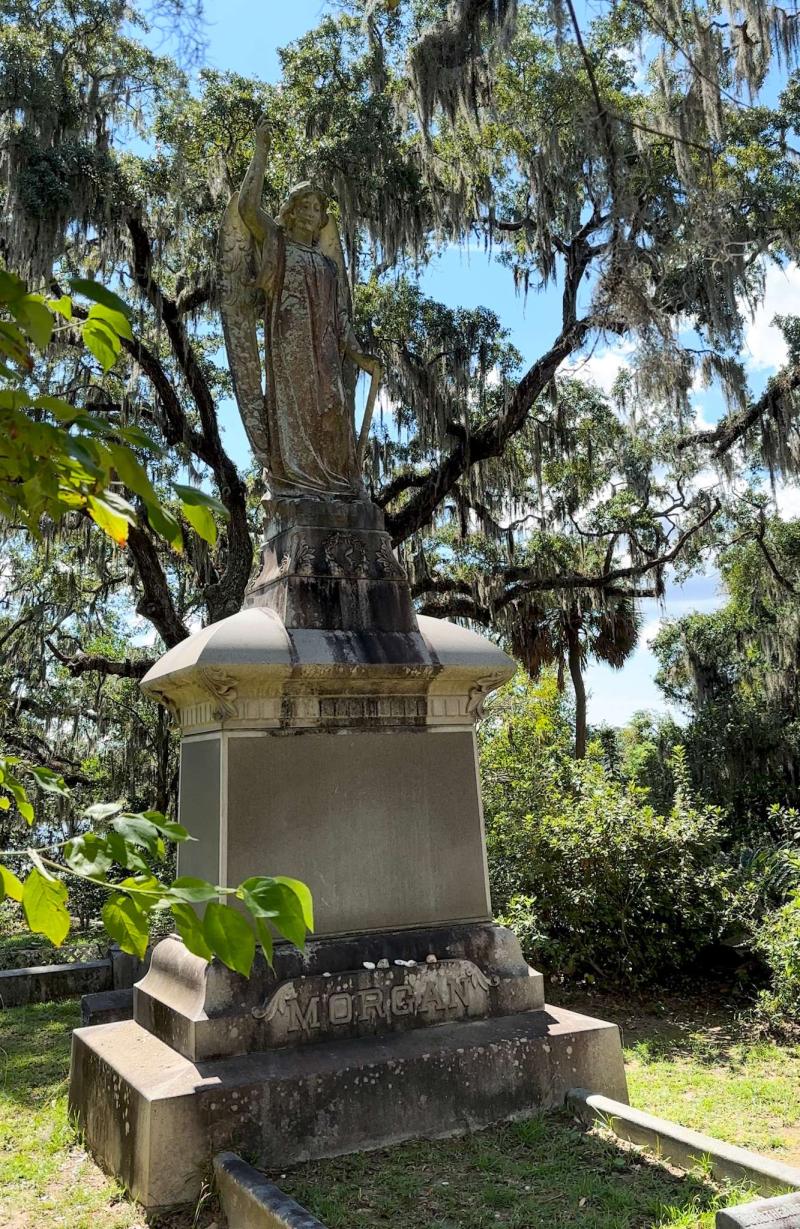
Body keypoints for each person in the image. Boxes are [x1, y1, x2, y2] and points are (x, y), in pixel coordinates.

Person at [235, 120, 380, 498]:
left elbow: (340, 317)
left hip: (325, 350)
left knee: (334, 408)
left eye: (318, 208)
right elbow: (247, 208)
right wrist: (261, 151)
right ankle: (296, 485)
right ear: (293, 211)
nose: (313, 212)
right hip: (291, 345)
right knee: (295, 412)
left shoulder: (328, 265)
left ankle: (339, 488)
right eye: (306, 205)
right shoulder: (278, 241)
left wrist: (360, 356)